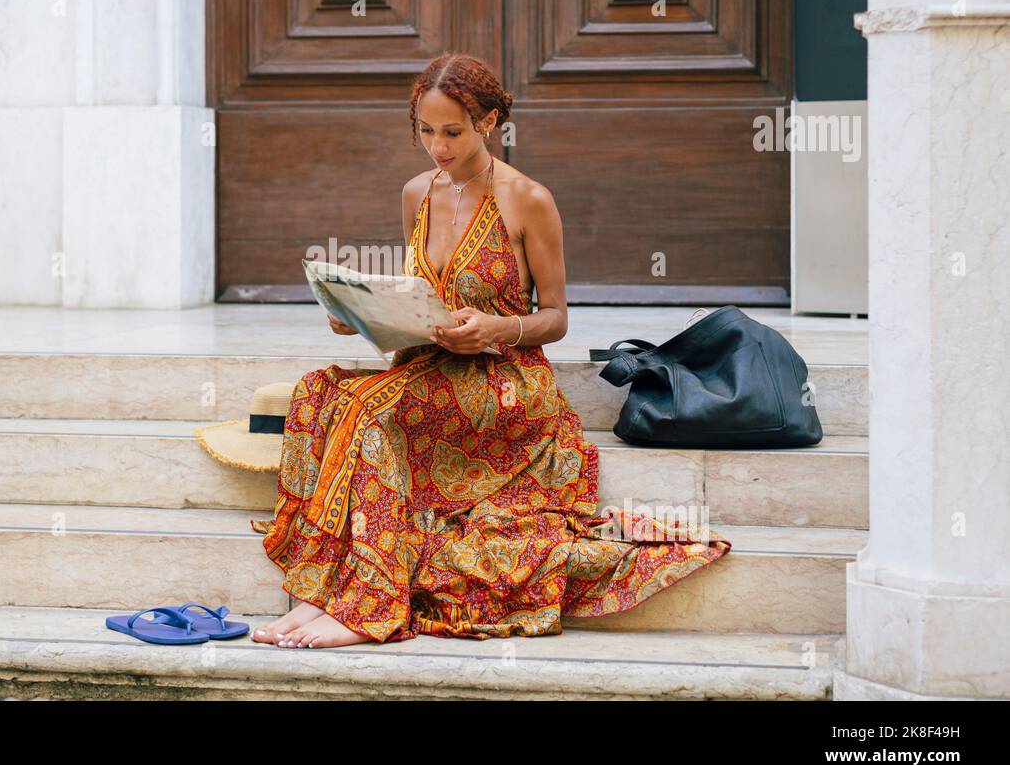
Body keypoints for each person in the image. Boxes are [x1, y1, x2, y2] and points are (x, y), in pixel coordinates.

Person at [248, 51, 730, 648]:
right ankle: (329, 593)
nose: (437, 147)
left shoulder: (527, 198)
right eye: (425, 132)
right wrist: (362, 316)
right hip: (427, 365)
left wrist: (496, 330)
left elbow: (555, 318)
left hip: (506, 381)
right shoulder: (416, 194)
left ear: (489, 120)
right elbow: (422, 295)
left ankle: (364, 606)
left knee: (371, 420)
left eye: (452, 131)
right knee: (320, 393)